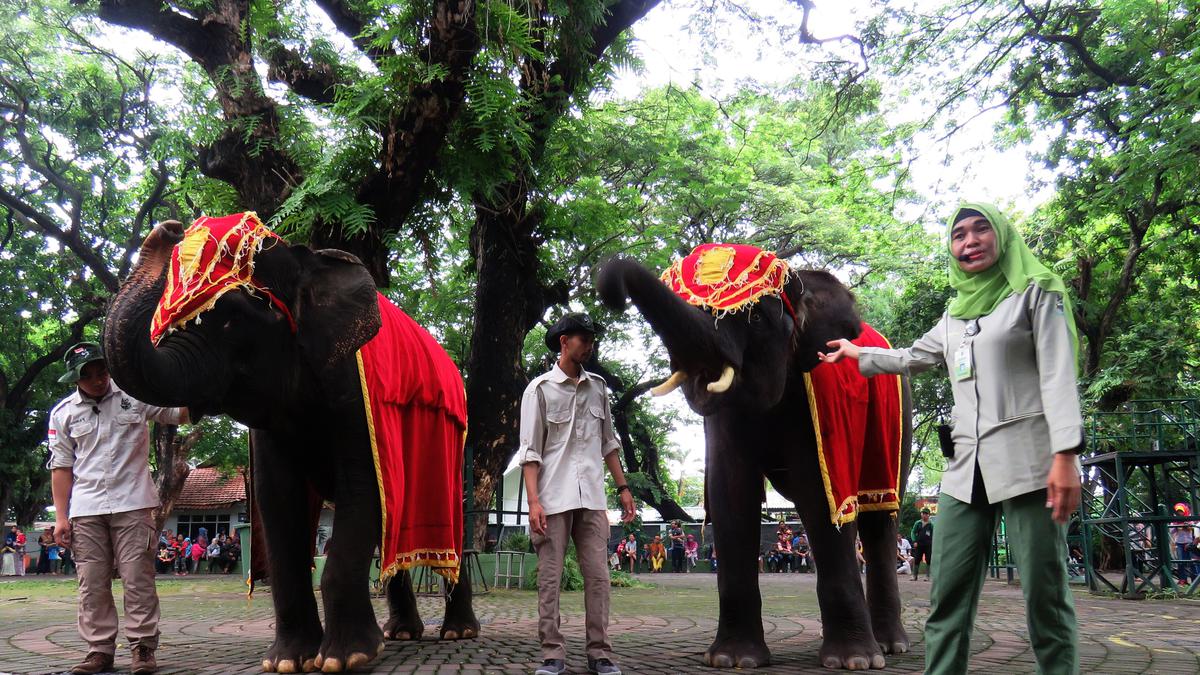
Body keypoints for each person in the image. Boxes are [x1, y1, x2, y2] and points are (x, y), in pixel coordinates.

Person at [820, 202, 1083, 675]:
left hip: (1031, 465)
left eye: (982, 230)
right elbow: (911, 357)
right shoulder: (954, 315)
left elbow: (1059, 376)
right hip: (966, 472)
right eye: (959, 235)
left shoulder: (1036, 292)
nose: (970, 241)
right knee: (947, 597)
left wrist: (1066, 454)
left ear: (1001, 236)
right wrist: (857, 353)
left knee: (1045, 593)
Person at [49, 342, 188, 675]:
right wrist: (60, 516)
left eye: (102, 372)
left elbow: (178, 412)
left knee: (138, 579)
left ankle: (142, 648)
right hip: (86, 508)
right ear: (75, 379)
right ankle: (99, 650)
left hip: (134, 504)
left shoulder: (134, 396)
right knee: (91, 582)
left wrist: (200, 383)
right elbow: (61, 467)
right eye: (89, 376)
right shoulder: (63, 413)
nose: (98, 381)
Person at [519, 312, 636, 675]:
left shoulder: (598, 387)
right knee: (550, 578)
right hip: (552, 498)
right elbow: (530, 452)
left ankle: (600, 652)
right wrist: (533, 502)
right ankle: (552, 652)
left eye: (591, 339)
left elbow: (609, 444)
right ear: (563, 341)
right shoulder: (539, 389)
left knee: (599, 577)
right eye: (583, 339)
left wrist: (624, 488)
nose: (589, 345)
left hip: (593, 499)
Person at [1170, 503, 1196, 585]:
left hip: (1189, 542)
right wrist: (1177, 526)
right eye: (1178, 511)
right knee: (1181, 561)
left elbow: (1194, 528)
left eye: (1181, 511)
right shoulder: (1175, 520)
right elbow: (1171, 531)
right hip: (1179, 543)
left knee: (1192, 561)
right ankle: (1182, 579)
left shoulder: (1189, 518)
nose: (1179, 513)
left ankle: (1194, 579)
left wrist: (1188, 526)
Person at [910, 508, 934, 581]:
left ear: (928, 515)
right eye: (923, 513)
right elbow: (913, 532)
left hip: (928, 544)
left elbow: (934, 534)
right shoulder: (918, 523)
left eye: (926, 514)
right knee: (917, 559)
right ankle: (914, 576)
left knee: (928, 559)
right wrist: (914, 541)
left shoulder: (931, 524)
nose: (924, 515)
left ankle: (927, 576)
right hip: (919, 544)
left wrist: (933, 543)